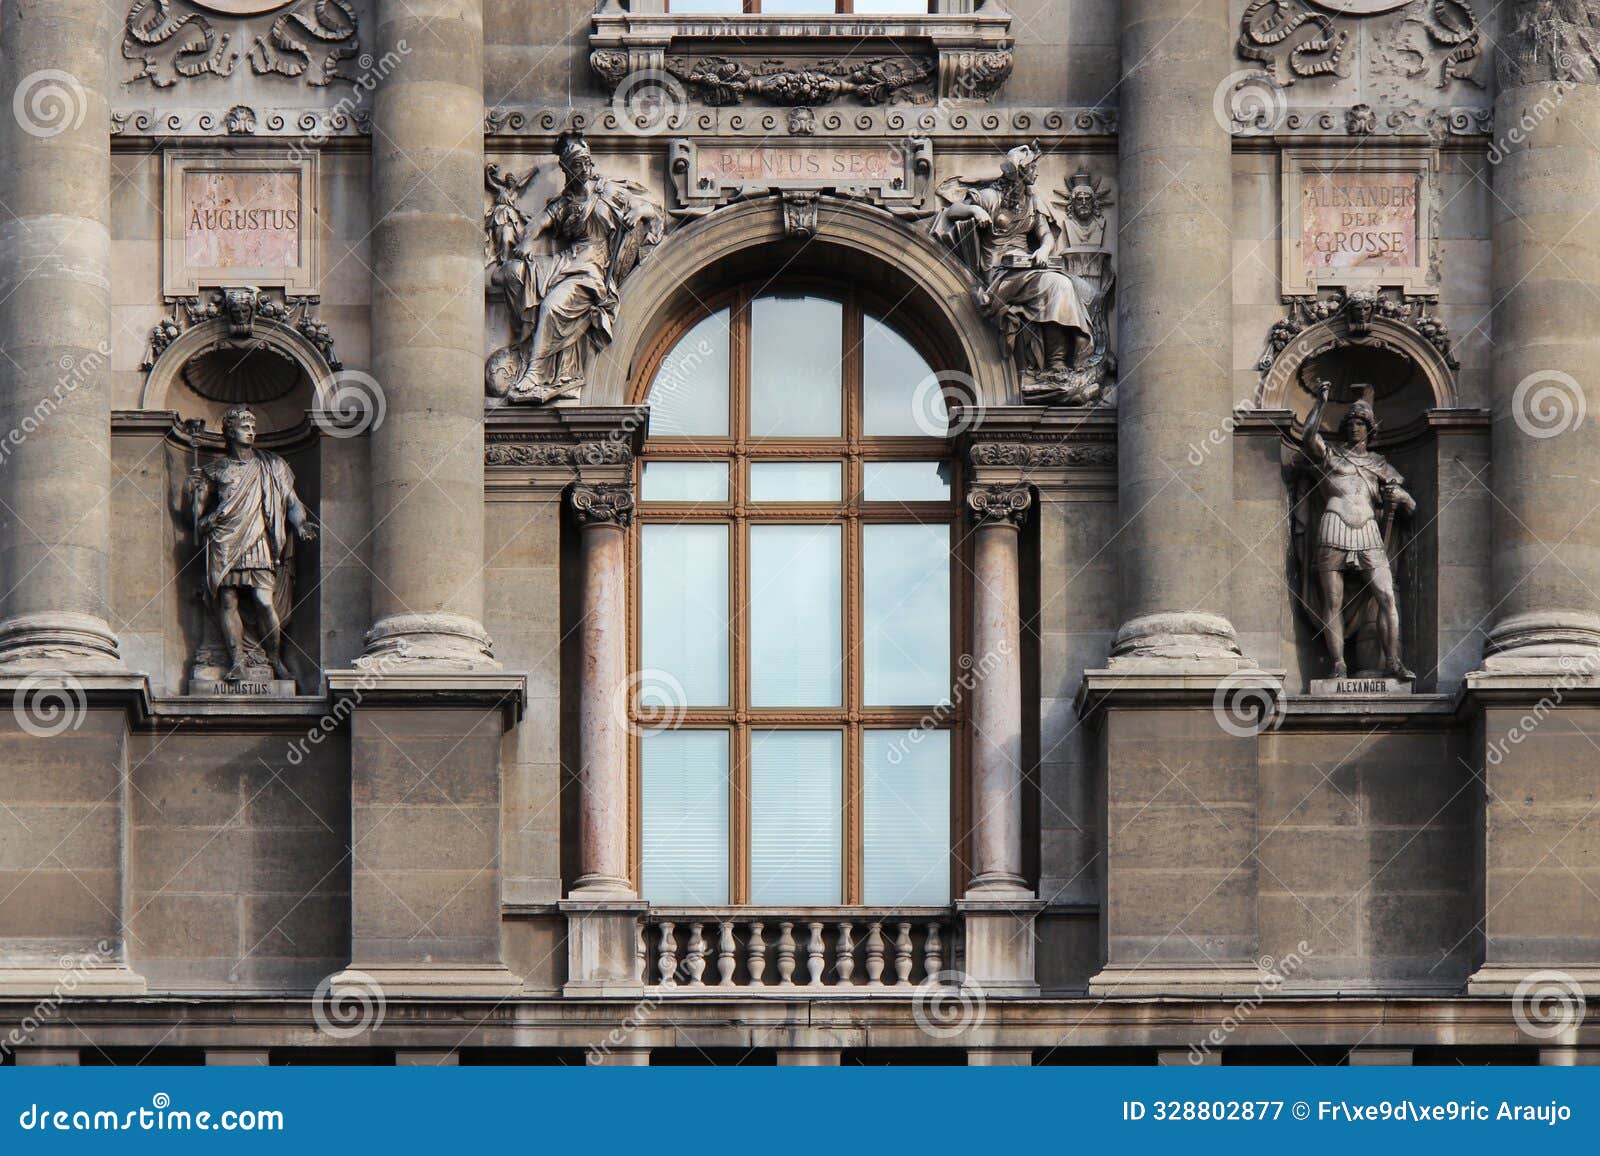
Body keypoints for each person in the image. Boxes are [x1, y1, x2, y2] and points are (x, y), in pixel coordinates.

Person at [187, 405, 317, 683]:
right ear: (230, 432)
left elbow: (291, 502)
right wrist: (195, 492)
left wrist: (301, 524)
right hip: (225, 539)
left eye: (252, 427)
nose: (251, 431)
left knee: (263, 600)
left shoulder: (273, 465)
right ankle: (237, 663)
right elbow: (195, 517)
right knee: (227, 599)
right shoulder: (216, 469)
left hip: (260, 537)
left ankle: (273, 658)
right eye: (245, 427)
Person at [1299, 382, 1415, 680]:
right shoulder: (1331, 456)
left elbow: (1410, 506)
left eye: (1360, 424)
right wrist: (1320, 404)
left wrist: (1401, 498)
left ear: (1370, 429)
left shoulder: (1380, 465)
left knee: (1386, 596)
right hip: (1333, 526)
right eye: (1350, 423)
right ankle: (1338, 663)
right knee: (1332, 600)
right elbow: (1308, 436)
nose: (1354, 428)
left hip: (1368, 531)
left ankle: (1392, 661)